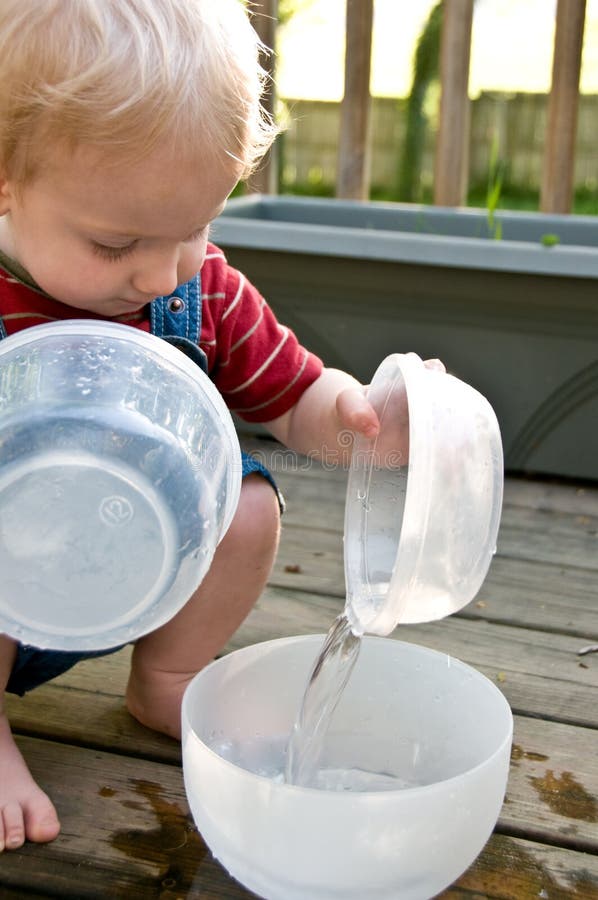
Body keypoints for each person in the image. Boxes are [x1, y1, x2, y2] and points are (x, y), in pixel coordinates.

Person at [0, 0, 442, 853]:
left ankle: (169, 678)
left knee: (246, 501)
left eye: (196, 228)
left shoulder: (195, 290)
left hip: (141, 562)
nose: (161, 273)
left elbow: (296, 398)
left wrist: (363, 424)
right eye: (116, 241)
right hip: (12, 569)